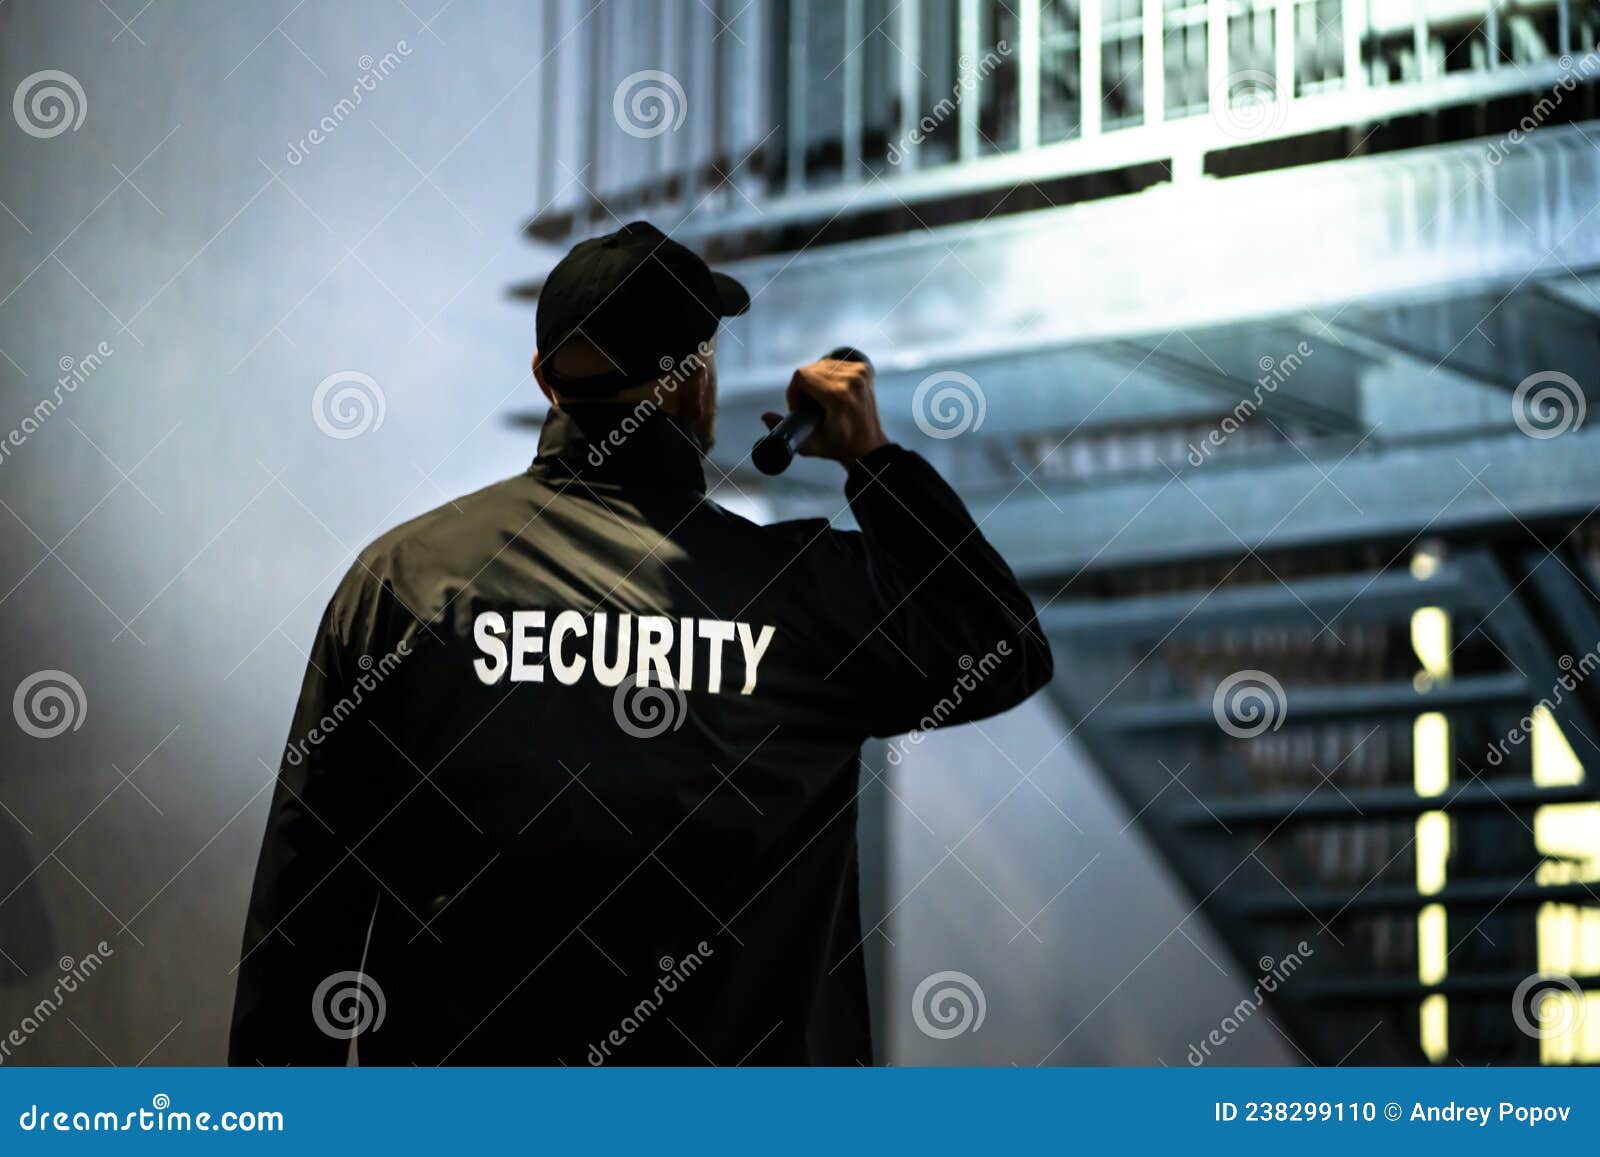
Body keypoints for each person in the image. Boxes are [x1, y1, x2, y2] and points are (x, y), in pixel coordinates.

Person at [230, 221, 1053, 1065]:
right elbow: (1002, 641)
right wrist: (874, 460)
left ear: (547, 381)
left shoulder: (403, 582)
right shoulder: (805, 595)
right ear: (697, 383)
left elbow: (306, 909)